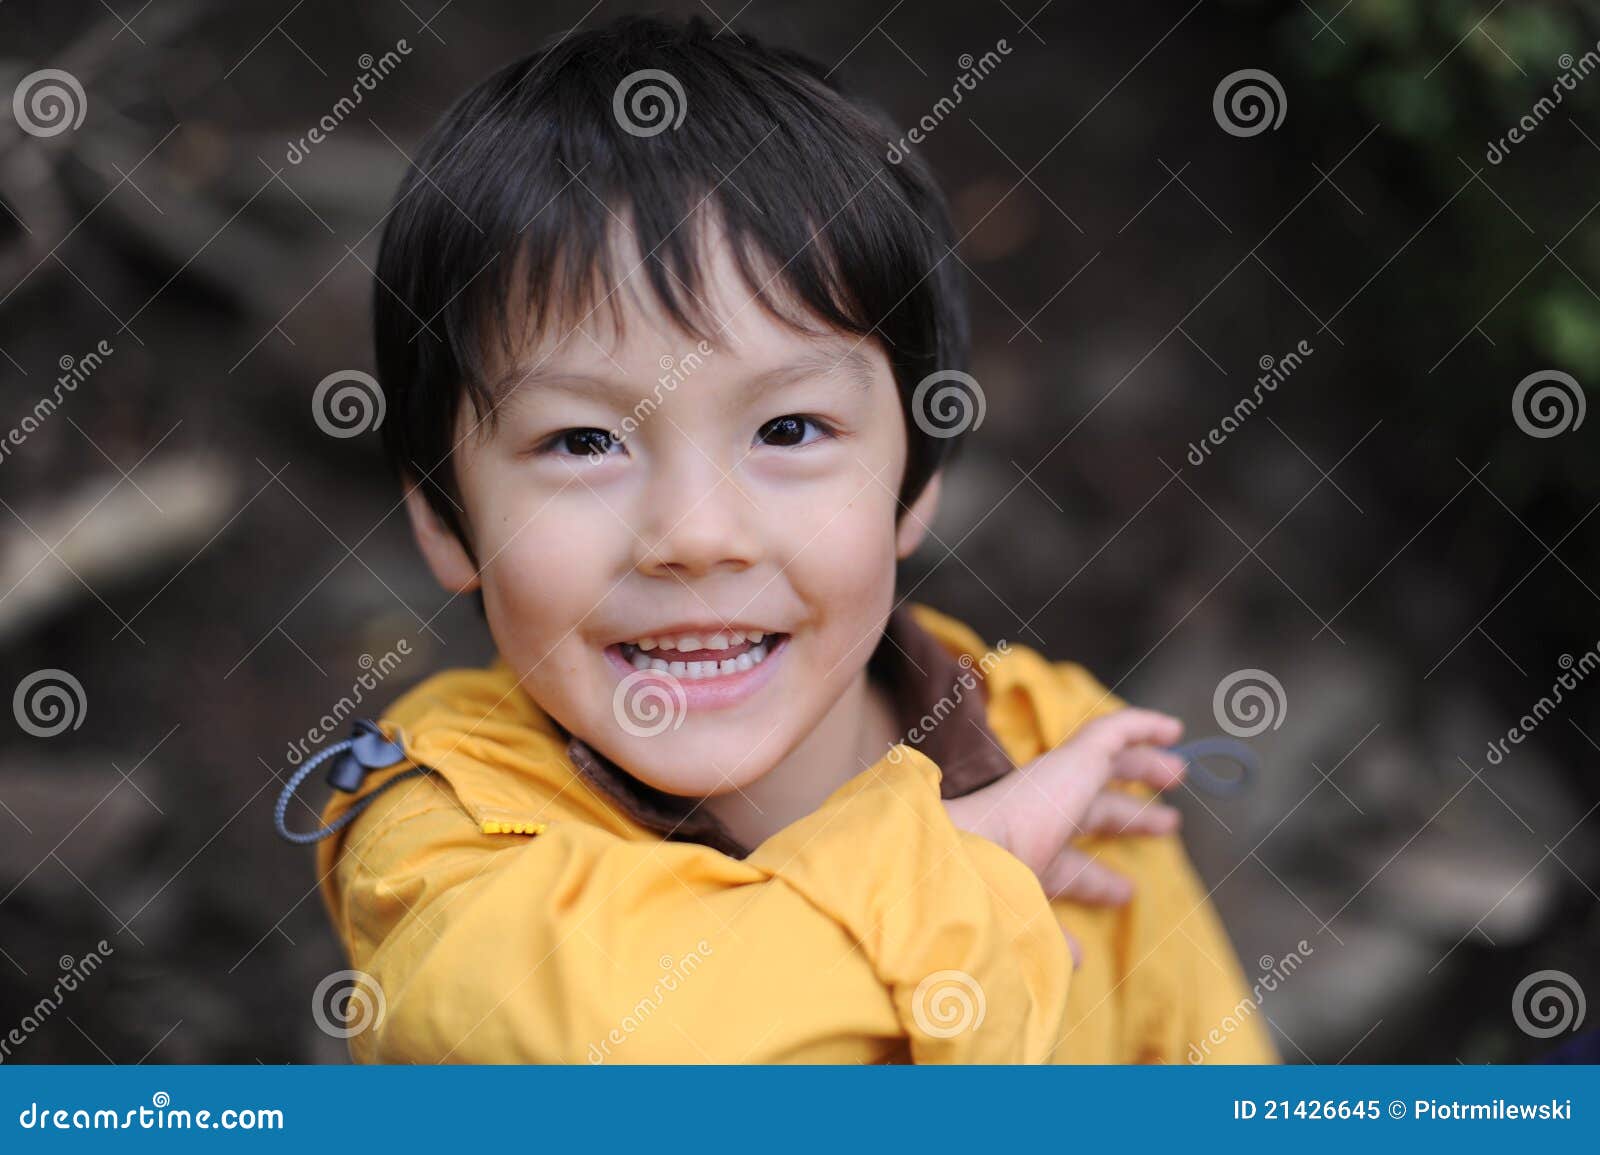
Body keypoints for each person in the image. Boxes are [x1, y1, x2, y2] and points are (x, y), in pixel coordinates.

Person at [307, 13, 1276, 1064]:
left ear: (914, 481)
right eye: (583, 440)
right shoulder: (438, 818)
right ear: (444, 519)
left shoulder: (1057, 748)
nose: (693, 534)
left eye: (788, 430)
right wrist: (964, 866)